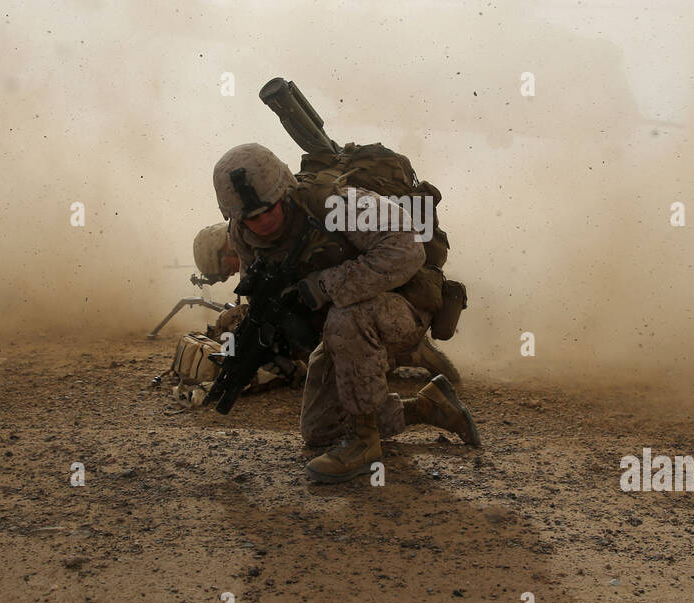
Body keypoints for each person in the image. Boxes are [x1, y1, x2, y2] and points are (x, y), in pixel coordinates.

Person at [212, 142, 479, 483]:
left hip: (404, 305)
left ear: (284, 192)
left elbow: (407, 251)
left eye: (269, 209)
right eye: (251, 217)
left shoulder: (338, 203)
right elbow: (262, 291)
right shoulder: (242, 234)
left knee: (347, 316)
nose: (262, 222)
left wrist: (324, 286)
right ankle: (431, 406)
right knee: (320, 431)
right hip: (345, 322)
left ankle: (365, 444)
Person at [191, 221, 462, 383]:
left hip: (358, 302)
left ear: (226, 245)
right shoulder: (259, 252)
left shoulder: (269, 245)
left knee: (331, 360)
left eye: (224, 267)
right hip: (344, 302)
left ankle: (407, 352)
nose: (229, 275)